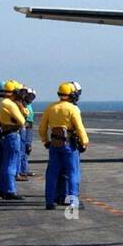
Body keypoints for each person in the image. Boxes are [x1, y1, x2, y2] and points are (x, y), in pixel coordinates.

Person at [39, 81, 88, 211]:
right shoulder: (72, 109)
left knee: (52, 173)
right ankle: (73, 201)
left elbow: (42, 128)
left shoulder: (50, 108)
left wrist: (45, 141)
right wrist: (84, 142)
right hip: (69, 145)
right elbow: (79, 127)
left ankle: (49, 201)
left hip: (54, 144)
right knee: (73, 173)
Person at [0, 80, 27, 200]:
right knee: (11, 163)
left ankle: (2, 188)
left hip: (5, 134)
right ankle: (10, 190)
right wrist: (22, 107)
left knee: (5, 162)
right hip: (12, 134)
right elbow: (22, 121)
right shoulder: (10, 104)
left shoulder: (3, 102)